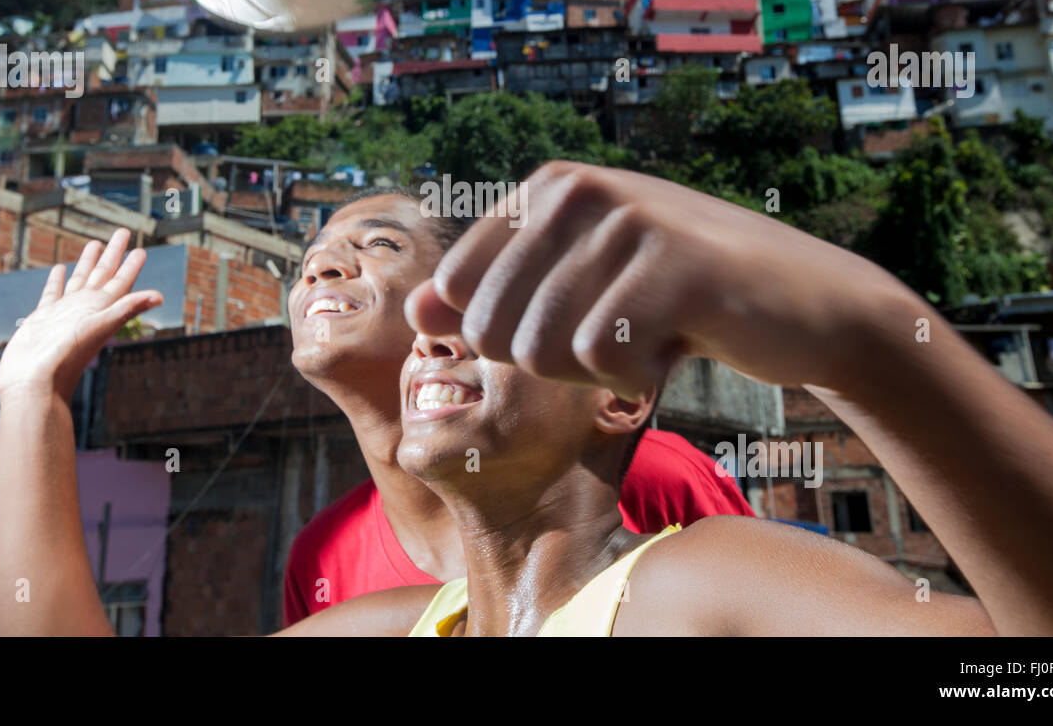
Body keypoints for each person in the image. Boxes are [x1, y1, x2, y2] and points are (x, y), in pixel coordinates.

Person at [0, 162, 1053, 635]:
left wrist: (862, 338)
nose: (438, 326)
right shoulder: (384, 619)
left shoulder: (697, 575)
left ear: (622, 399)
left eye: (482, 307)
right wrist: (32, 396)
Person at [281, 187, 752, 624]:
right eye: (309, 255)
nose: (320, 265)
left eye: (380, 243)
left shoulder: (653, 473)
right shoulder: (320, 560)